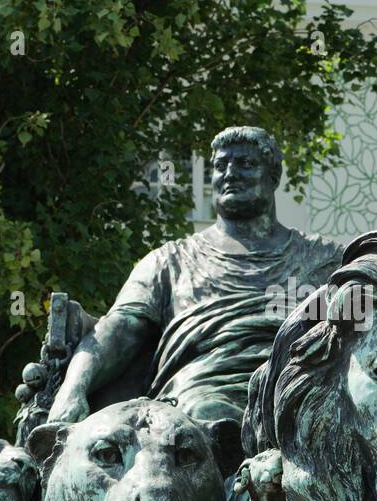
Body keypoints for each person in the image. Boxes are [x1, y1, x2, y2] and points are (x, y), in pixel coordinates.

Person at [48, 126, 343, 428]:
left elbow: (372, 328)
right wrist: (73, 389)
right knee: (207, 412)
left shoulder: (326, 261)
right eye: (220, 166)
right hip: (198, 405)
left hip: (301, 399)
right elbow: (120, 329)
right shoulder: (169, 262)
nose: (230, 173)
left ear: (273, 177)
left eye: (245, 164)